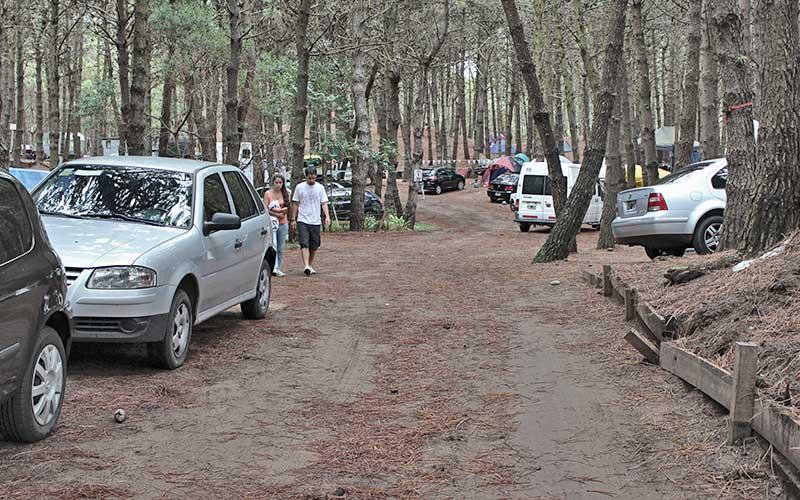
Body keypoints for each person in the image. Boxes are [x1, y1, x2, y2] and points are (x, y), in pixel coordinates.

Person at [290, 166, 330, 276]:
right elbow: (295, 203)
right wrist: (293, 219)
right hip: (303, 219)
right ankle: (306, 265)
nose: (311, 180)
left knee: (314, 245)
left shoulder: (320, 188)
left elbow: (324, 203)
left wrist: (327, 216)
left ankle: (310, 265)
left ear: (316, 176)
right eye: (309, 178)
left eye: (313, 178)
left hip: (315, 220)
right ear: (305, 176)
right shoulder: (299, 187)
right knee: (304, 243)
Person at [264, 174, 290, 277]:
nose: (278, 185)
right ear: (273, 183)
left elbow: (287, 207)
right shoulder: (268, 194)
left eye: (280, 183)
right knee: (272, 245)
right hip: (272, 223)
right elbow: (266, 209)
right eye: (276, 183)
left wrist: (281, 212)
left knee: (280, 247)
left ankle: (278, 267)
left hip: (283, 223)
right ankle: (272, 266)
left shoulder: (286, 194)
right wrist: (276, 213)